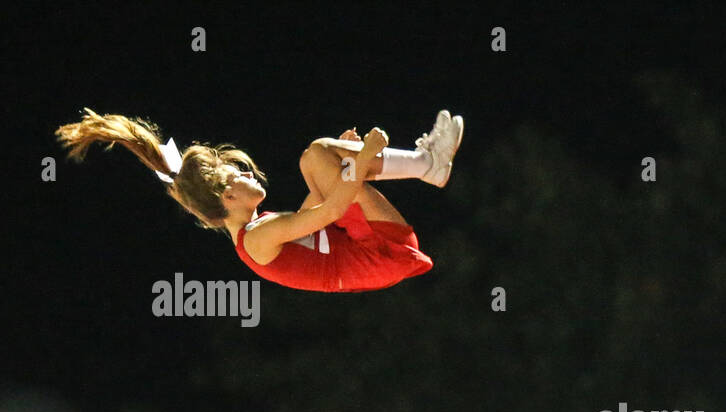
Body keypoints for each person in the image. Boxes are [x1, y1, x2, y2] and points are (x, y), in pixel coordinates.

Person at [55, 109, 464, 292]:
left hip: (369, 249)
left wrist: (345, 166)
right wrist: (357, 159)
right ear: (227, 196)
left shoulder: (258, 232)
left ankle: (430, 165)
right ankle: (428, 164)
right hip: (375, 255)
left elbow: (316, 214)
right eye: (239, 174)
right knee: (318, 153)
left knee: (317, 158)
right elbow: (332, 210)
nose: (249, 174)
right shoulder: (256, 238)